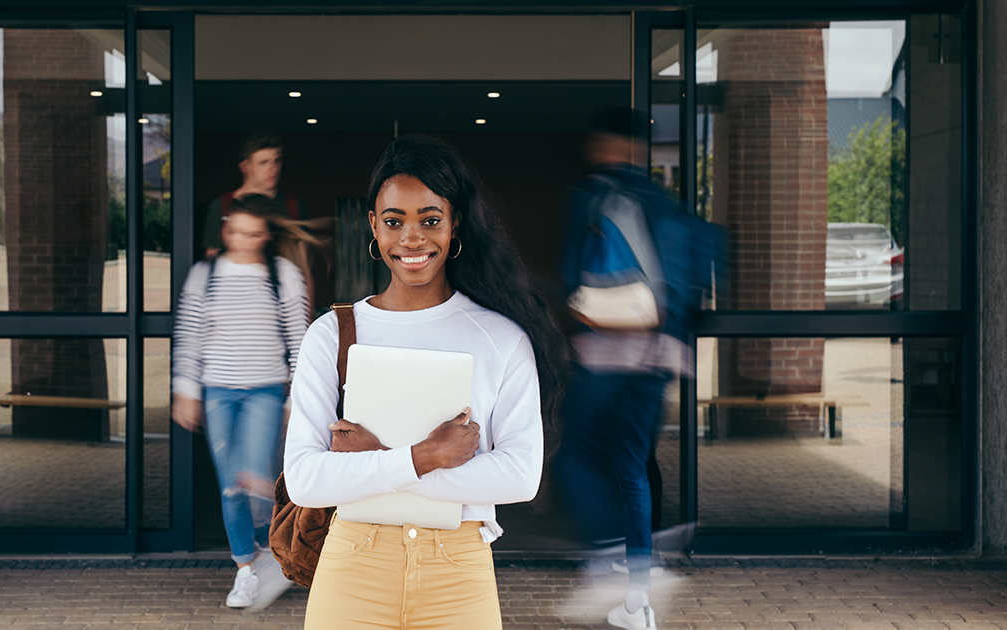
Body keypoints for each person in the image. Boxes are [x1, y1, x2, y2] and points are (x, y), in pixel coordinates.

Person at [282, 135, 567, 629]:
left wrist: (378, 465)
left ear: (455, 223)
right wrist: (423, 457)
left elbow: (521, 475)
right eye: (394, 222)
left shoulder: (500, 337)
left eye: (430, 220)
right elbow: (306, 479)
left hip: (457, 573)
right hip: (353, 565)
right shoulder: (330, 335)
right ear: (374, 225)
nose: (411, 239)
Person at [555, 106, 724, 630]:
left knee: (574, 460)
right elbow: (705, 266)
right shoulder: (668, 202)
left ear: (603, 145)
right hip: (658, 360)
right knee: (631, 468)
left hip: (606, 356)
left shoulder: (592, 194)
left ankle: (611, 556)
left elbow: (570, 275)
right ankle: (638, 596)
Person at [171, 194, 311, 608]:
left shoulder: (282, 273)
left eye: (253, 233)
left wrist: (294, 398)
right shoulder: (205, 274)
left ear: (265, 234)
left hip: (265, 391)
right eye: (237, 232)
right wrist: (185, 390)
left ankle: (274, 552)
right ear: (226, 229)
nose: (244, 240)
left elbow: (299, 338)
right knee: (231, 483)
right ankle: (246, 570)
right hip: (217, 391)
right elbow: (189, 334)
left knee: (252, 473)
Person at [197, 131, 304, 260]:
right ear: (244, 166)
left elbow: (303, 256)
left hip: (285, 278)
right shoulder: (223, 204)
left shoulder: (292, 204)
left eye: (277, 161)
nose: (273, 168)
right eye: (263, 162)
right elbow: (212, 255)